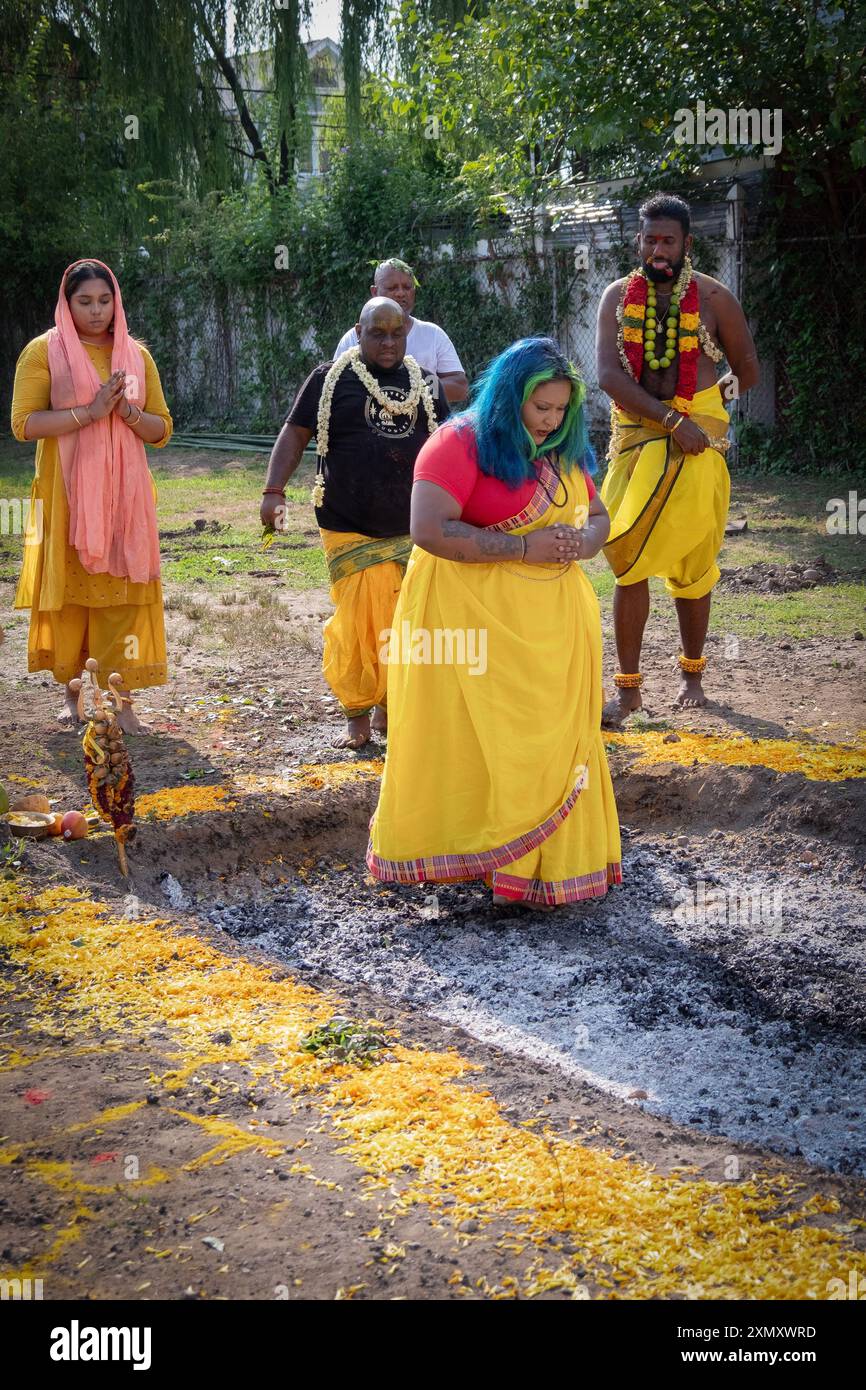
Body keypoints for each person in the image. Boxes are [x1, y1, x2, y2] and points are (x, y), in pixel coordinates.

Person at [366, 336, 621, 909]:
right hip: (470, 620)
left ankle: (539, 868)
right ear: (510, 398)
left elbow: (600, 516)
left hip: (554, 627)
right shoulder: (457, 443)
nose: (551, 421)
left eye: (561, 410)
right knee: (480, 737)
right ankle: (480, 856)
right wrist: (522, 547)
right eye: (541, 409)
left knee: (551, 741)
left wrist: (583, 542)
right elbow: (429, 530)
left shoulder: (563, 446)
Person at [595, 192, 760, 725]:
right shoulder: (618, 297)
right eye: (649, 239)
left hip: (699, 447)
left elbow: (748, 367)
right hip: (639, 439)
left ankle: (693, 675)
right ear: (638, 242)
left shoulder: (715, 299)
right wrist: (672, 422)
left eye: (668, 240)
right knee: (627, 556)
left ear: (687, 243)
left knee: (693, 562)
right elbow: (609, 377)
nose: (658, 250)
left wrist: (710, 414)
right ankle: (629, 689)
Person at [261, 296, 450, 749]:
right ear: (358, 332)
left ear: (408, 333)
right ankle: (358, 717)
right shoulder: (329, 380)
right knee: (359, 622)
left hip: (413, 528)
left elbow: (449, 446)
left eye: (396, 333)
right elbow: (295, 433)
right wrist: (273, 491)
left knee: (409, 622)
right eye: (377, 333)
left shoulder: (426, 383)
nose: (388, 342)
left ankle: (392, 708)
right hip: (349, 522)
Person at [10, 258, 173, 733]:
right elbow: (24, 423)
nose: (96, 311)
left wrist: (124, 412)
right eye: (85, 301)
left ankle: (123, 705)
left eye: (105, 300)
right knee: (73, 592)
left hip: (125, 498)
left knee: (123, 592)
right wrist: (89, 411)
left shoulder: (135, 355)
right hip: (66, 495)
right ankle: (72, 696)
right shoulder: (44, 352)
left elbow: (161, 428)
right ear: (67, 302)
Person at [333, 257, 468, 403]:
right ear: (374, 291)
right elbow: (334, 386)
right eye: (392, 288)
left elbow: (460, 388)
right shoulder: (353, 338)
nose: (400, 293)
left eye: (407, 287)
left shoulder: (433, 335)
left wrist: (413, 387)